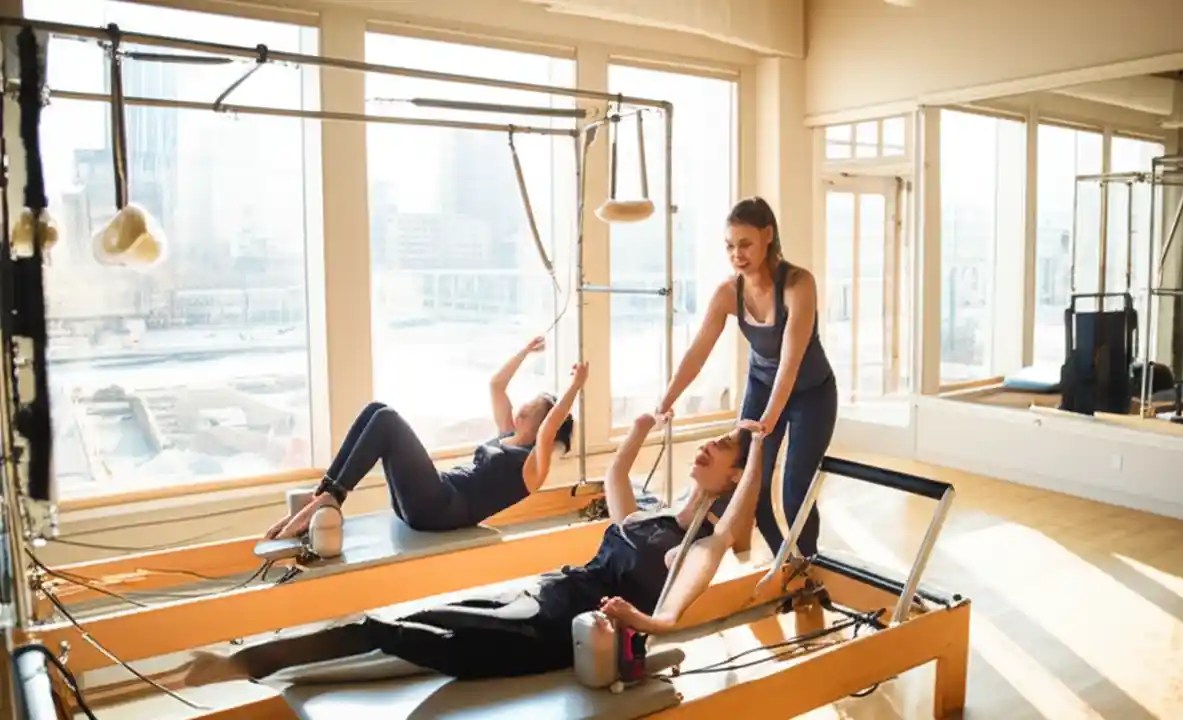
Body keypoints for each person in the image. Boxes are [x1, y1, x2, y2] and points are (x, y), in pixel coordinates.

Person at [185, 414, 766, 685]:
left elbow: (667, 617)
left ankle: (243, 666)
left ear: (733, 478)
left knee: (403, 638)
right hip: (541, 598)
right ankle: (248, 662)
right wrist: (641, 427)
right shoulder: (647, 517)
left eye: (722, 448)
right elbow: (617, 473)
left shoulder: (696, 546)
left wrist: (759, 449)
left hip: (555, 632)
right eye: (714, 439)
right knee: (393, 625)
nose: (707, 445)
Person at [656, 196, 835, 557]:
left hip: (811, 394)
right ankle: (779, 562)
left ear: (768, 235)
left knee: (794, 489)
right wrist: (667, 399)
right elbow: (698, 351)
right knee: (750, 484)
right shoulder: (728, 292)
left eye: (745, 244)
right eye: (730, 246)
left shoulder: (798, 284)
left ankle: (808, 564)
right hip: (762, 384)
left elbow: (790, 360)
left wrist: (768, 419)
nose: (737, 254)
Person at [266, 336, 584, 537]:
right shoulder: (507, 436)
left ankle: (330, 498)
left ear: (547, 427)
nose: (523, 409)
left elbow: (551, 424)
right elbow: (496, 386)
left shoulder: (532, 469)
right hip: (429, 500)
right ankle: (324, 495)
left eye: (533, 409)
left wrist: (574, 386)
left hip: (439, 508)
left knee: (388, 421)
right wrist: (525, 352)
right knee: (377, 410)